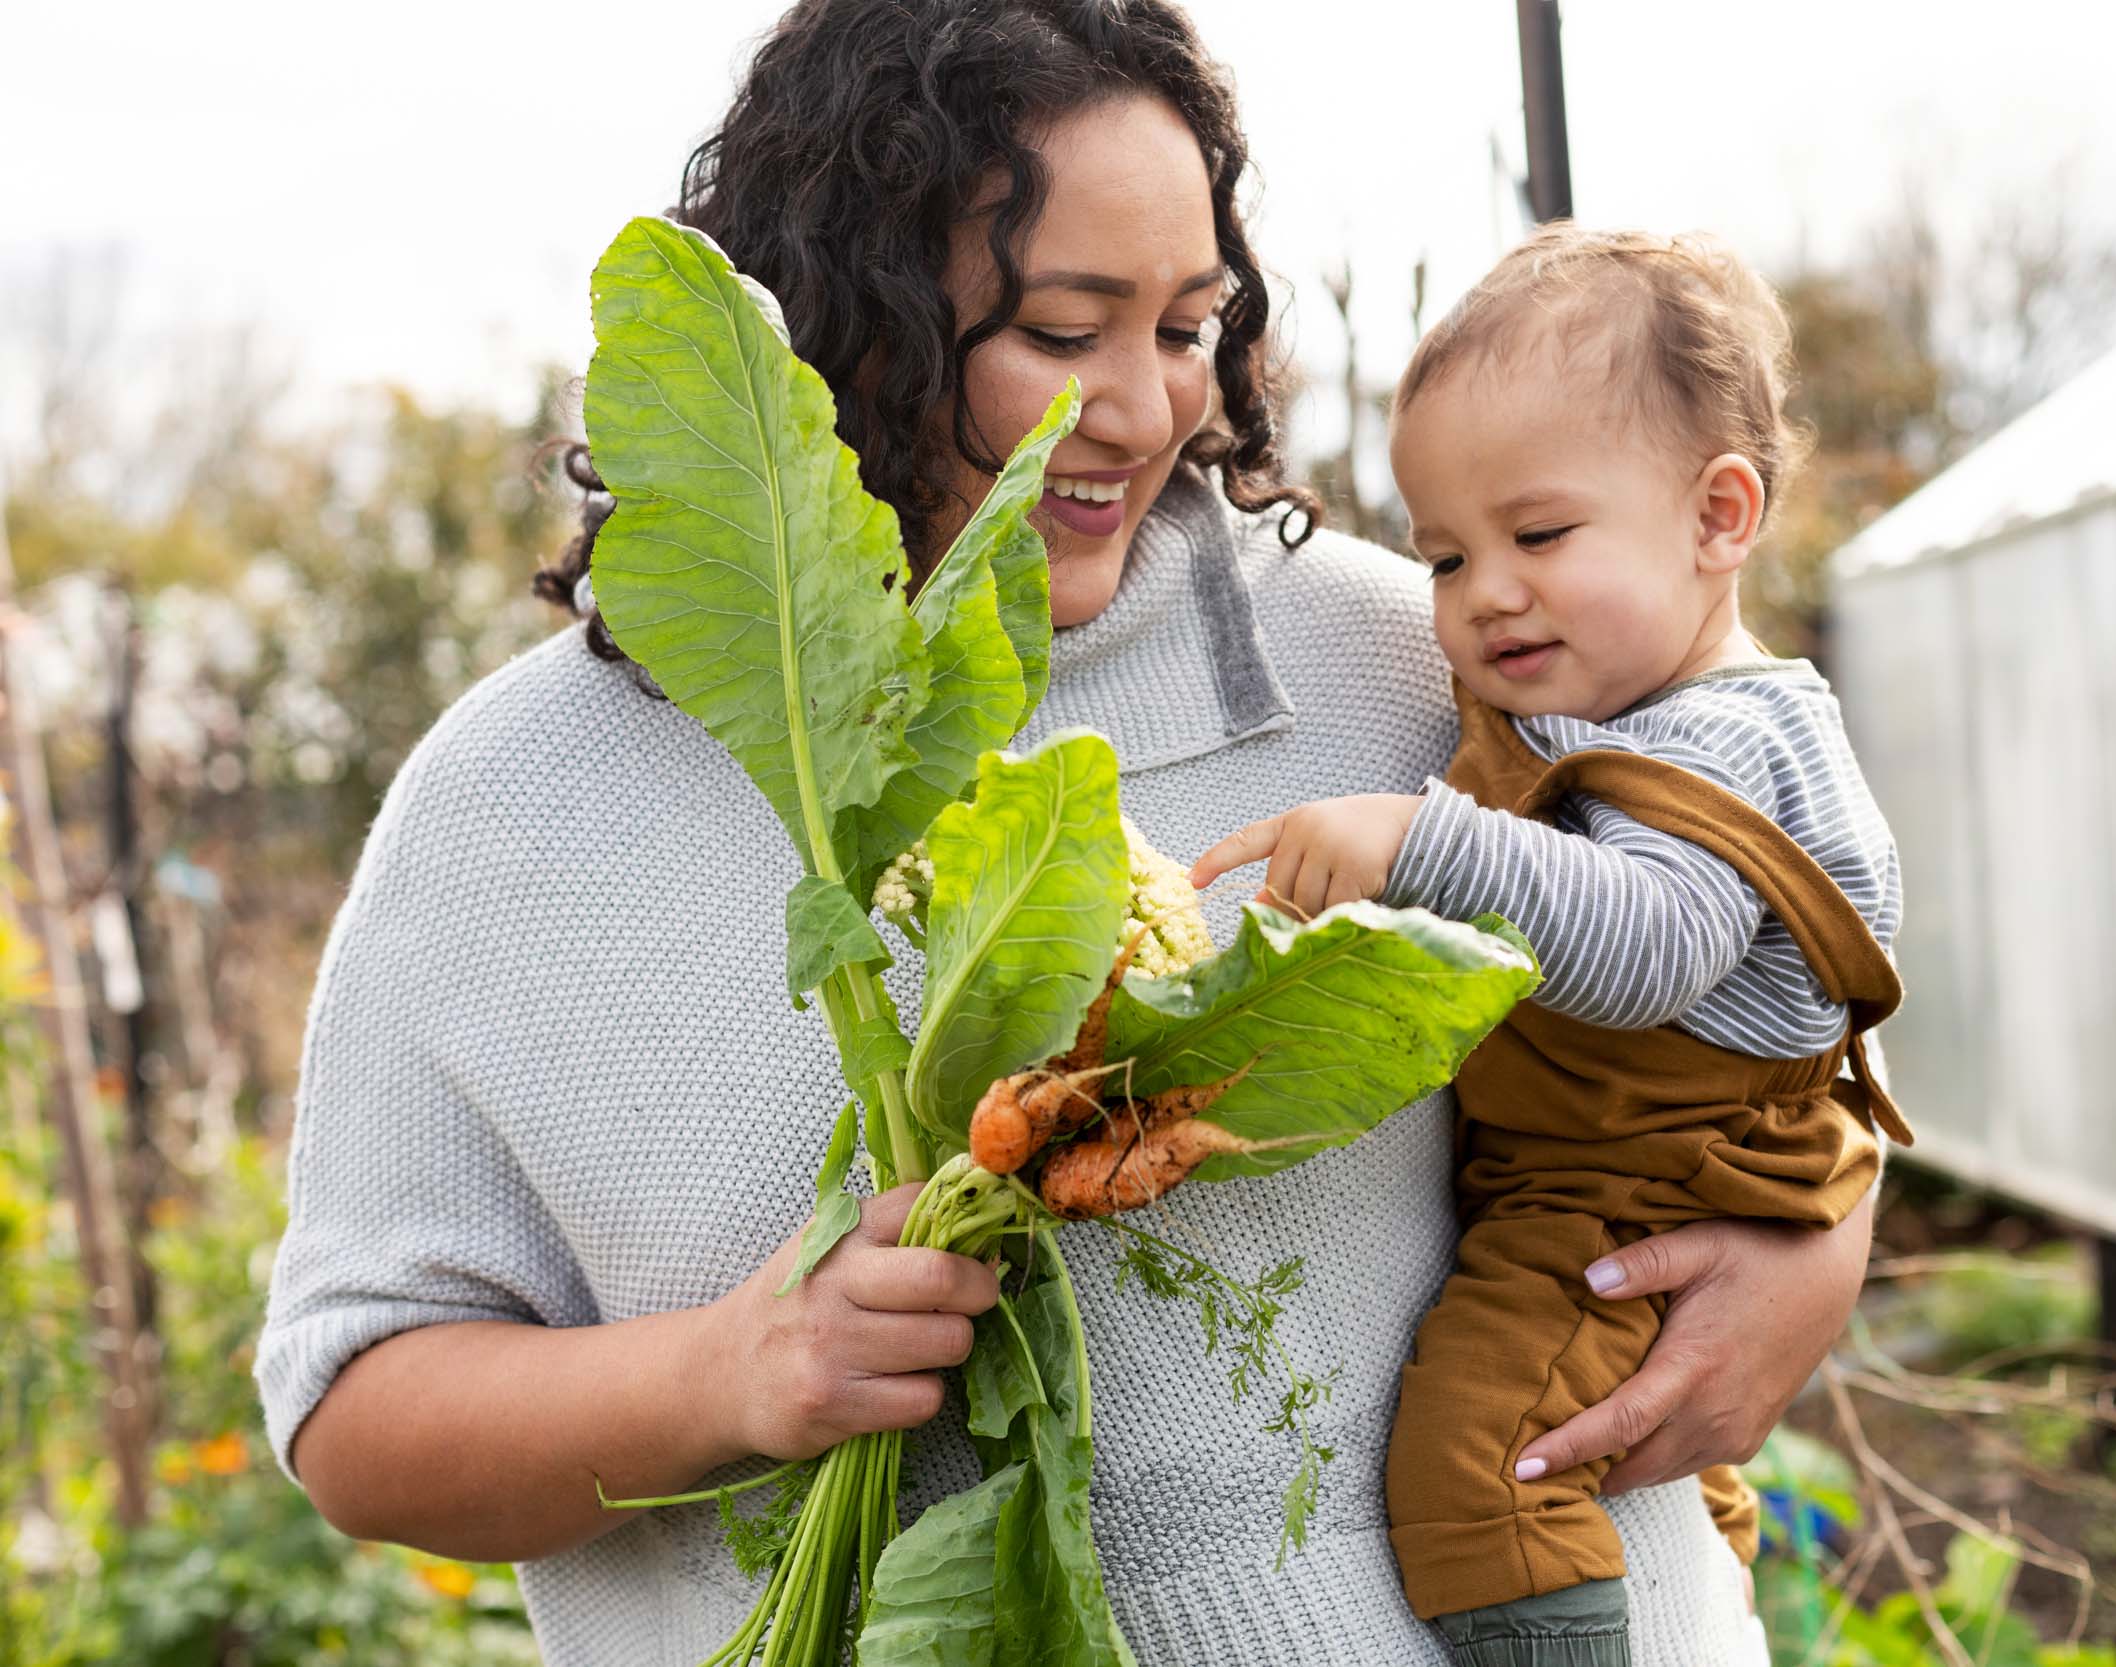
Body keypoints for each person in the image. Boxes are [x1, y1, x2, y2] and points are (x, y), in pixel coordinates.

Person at [256, 6, 1877, 1663]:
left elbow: (1778, 953)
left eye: (1187, 324)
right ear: (853, 313)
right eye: (1058, 328)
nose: (1144, 406)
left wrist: (1822, 1238)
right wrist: (737, 1375)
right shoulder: (512, 806)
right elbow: (358, 1414)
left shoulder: (1442, 658)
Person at [1191, 224, 1909, 1667]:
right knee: (1639, 1462)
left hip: (1627, 1195)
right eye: (1446, 554)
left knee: (1483, 1462)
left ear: (1720, 518)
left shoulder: (1720, 742)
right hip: (1620, 1170)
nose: (1484, 594)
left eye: (1539, 536)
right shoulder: (1636, 710)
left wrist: (1418, 843)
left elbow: (1650, 948)